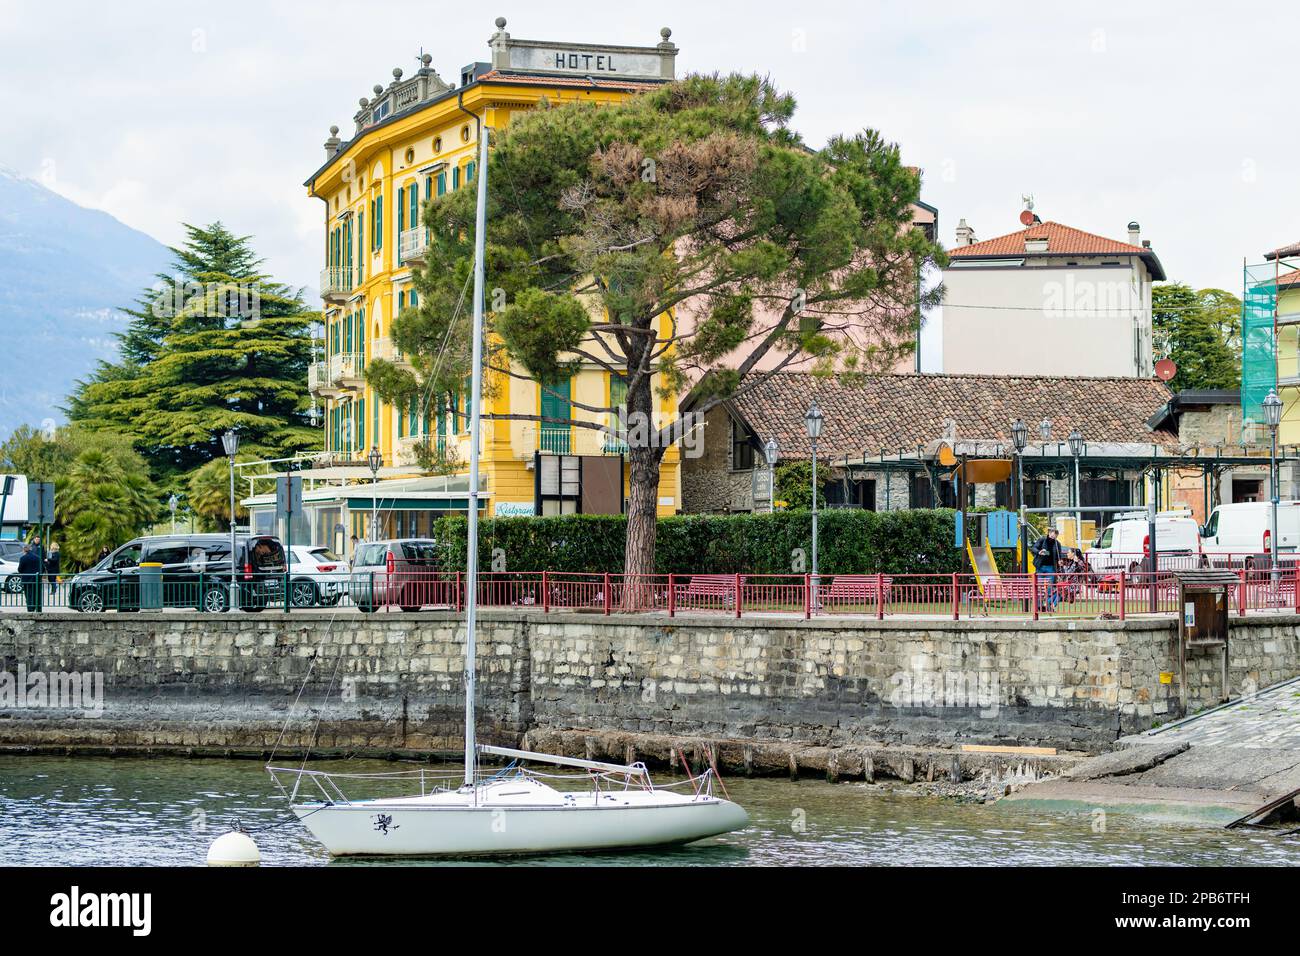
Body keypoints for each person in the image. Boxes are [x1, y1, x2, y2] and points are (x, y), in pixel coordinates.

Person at [1032, 527, 1063, 611]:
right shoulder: (1042, 540)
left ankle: (1048, 605)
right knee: (1039, 587)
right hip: (1040, 567)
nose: (1053, 537)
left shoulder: (1057, 544)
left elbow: (1059, 555)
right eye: (1052, 535)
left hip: (1050, 567)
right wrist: (1039, 552)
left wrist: (1060, 561)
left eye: (1055, 536)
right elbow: (1034, 548)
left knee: (1050, 587)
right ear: (1049, 533)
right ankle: (1038, 606)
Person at [17, 544, 41, 612]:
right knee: (36, 594)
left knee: (28, 595)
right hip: (36, 579)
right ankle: (38, 608)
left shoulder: (23, 558)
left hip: (26, 580)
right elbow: (41, 568)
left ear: (24, 550)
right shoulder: (37, 557)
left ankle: (30, 609)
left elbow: (20, 569)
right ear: (30, 549)